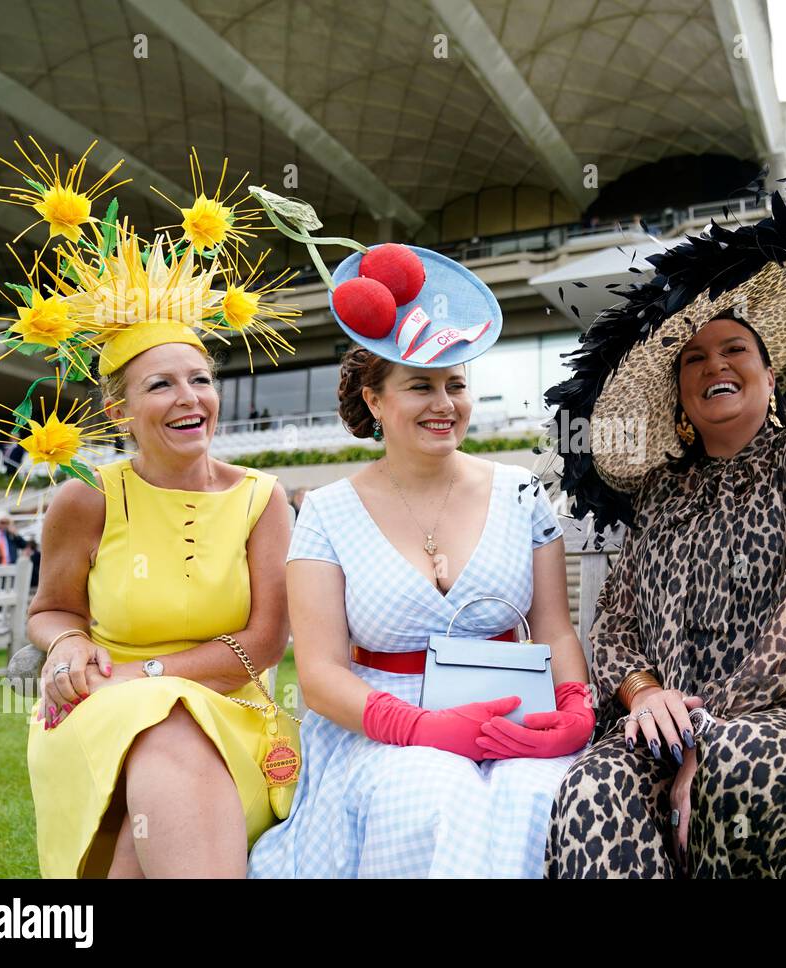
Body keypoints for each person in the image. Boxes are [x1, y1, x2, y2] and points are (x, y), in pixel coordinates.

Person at [0, 141, 300, 877]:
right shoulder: (86, 496)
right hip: (100, 706)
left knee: (159, 762)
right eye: (162, 386)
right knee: (162, 728)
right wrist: (68, 648)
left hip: (231, 715)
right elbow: (51, 609)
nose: (190, 399)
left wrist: (144, 677)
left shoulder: (261, 499)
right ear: (118, 408)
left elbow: (266, 642)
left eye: (201, 379)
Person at [544, 189, 786, 877]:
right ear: (679, 396)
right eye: (693, 359)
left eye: (734, 350)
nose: (715, 366)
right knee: (591, 788)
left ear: (769, 376)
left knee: (741, 759)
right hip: (664, 727)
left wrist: (710, 729)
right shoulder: (663, 490)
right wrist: (645, 695)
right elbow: (616, 626)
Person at [249, 241, 593, 878]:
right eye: (419, 387)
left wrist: (574, 708)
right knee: (431, 794)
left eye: (455, 385)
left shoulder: (521, 492)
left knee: (537, 797)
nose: (445, 404)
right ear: (375, 401)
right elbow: (321, 675)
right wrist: (418, 727)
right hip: (379, 726)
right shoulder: (326, 511)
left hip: (514, 712)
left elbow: (554, 629)